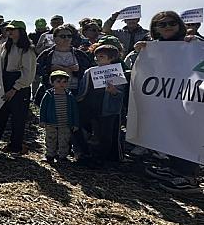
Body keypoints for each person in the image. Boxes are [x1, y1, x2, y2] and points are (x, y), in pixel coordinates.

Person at [136, 11, 201, 194]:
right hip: (165, 98)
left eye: (171, 23)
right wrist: (142, 51)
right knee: (171, 132)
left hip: (187, 99)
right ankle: (175, 169)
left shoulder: (191, 43)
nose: (167, 27)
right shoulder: (155, 46)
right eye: (162, 24)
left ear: (179, 24)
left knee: (186, 134)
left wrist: (195, 44)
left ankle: (188, 177)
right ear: (155, 28)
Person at [0, 20, 36, 154]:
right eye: (8, 30)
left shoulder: (27, 50)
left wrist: (14, 88)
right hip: (4, 81)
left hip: (19, 85)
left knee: (18, 118)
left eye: (13, 30)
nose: (9, 32)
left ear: (21, 31)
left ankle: (15, 147)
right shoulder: (5, 46)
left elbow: (28, 74)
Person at [76, 44, 125, 165]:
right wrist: (79, 101)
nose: (97, 58)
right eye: (96, 56)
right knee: (89, 131)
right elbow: (82, 88)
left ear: (111, 58)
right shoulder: (90, 71)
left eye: (101, 56)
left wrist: (113, 91)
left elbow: (120, 94)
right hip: (90, 107)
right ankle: (87, 154)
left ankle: (101, 158)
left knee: (105, 135)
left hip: (107, 109)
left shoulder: (115, 72)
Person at [36, 24, 93, 98]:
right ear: (54, 38)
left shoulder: (80, 54)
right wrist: (50, 69)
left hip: (75, 91)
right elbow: (36, 69)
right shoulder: (46, 54)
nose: (66, 38)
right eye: (63, 36)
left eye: (69, 36)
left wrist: (78, 70)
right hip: (52, 92)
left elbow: (89, 72)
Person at [39, 70, 79, 163]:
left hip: (65, 123)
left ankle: (63, 156)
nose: (62, 84)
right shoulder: (49, 95)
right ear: (52, 82)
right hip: (51, 123)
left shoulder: (69, 96)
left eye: (64, 82)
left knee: (64, 140)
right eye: (58, 81)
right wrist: (42, 120)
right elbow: (43, 108)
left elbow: (75, 111)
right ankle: (50, 155)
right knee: (50, 139)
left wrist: (75, 123)